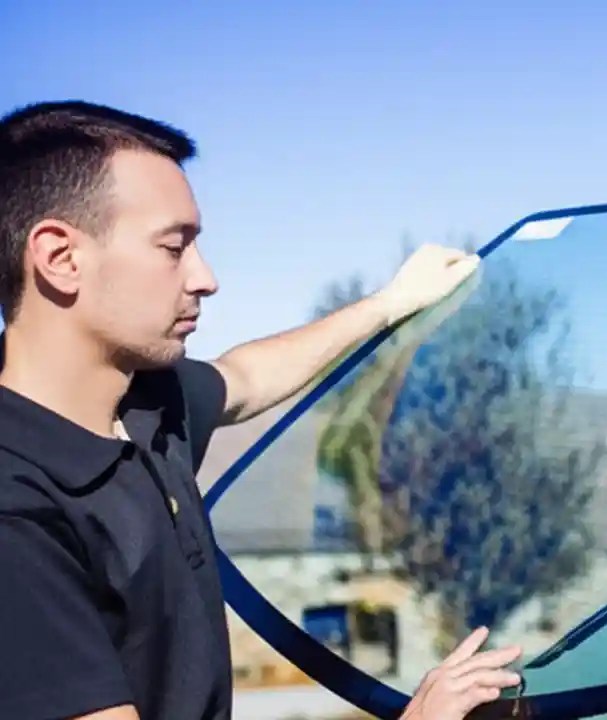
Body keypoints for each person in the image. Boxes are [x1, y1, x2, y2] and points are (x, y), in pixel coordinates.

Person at [0, 100, 522, 719]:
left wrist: (391, 302)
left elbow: (246, 378)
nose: (206, 277)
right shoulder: (16, 512)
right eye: (175, 247)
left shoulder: (146, 407)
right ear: (61, 258)